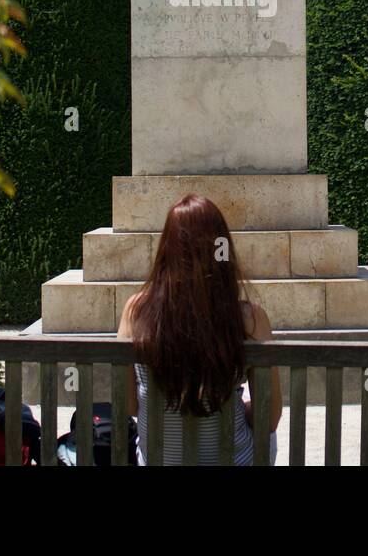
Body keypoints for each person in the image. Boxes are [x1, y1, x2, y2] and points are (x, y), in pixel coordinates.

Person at [117, 193, 282, 464]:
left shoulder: (135, 312)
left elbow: (130, 405)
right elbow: (270, 416)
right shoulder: (249, 319)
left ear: (166, 250)